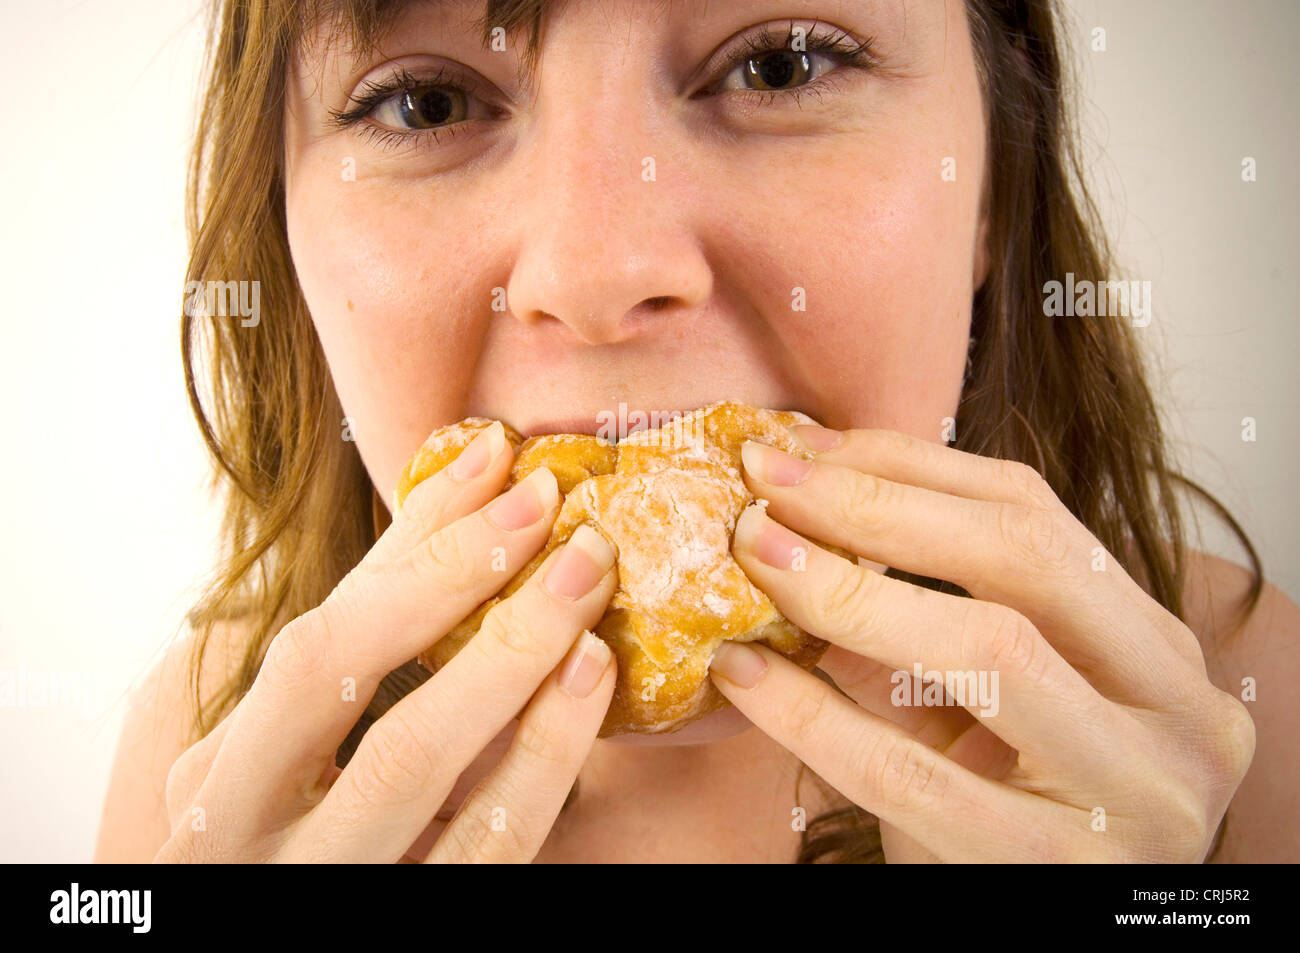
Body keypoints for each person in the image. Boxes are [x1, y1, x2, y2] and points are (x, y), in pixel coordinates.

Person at [95, 0, 1299, 863]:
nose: (596, 269)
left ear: (994, 186)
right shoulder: (213, 765)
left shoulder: (1251, 710)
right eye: (429, 100)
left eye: (778, 67)